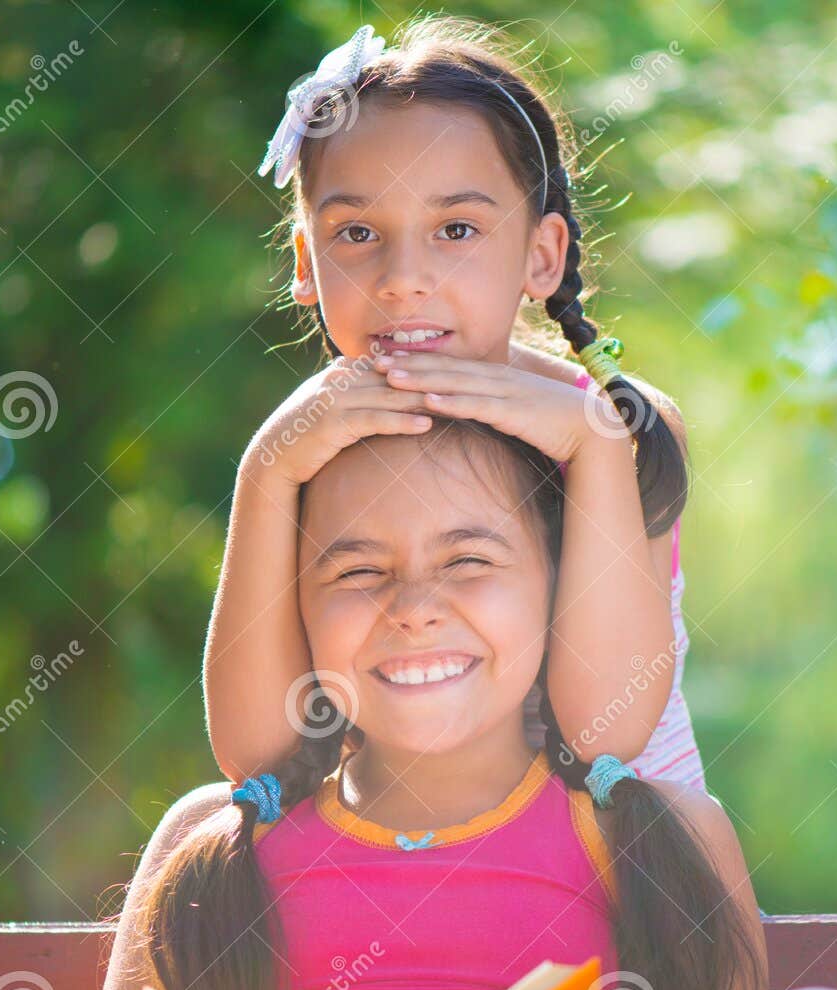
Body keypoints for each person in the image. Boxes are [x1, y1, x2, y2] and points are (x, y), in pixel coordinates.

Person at [82, 416, 837, 990]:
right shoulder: (221, 840)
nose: (414, 606)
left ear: (559, 592)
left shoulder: (656, 833)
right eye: (358, 572)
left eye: (469, 560)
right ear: (295, 608)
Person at [204, 17, 707, 798]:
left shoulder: (614, 422)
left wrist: (594, 448)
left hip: (612, 864)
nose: (404, 277)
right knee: (196, 821)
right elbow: (255, 756)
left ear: (543, 255)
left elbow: (606, 736)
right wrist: (264, 473)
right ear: (306, 262)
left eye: (457, 229)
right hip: (405, 856)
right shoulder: (309, 443)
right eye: (359, 232)